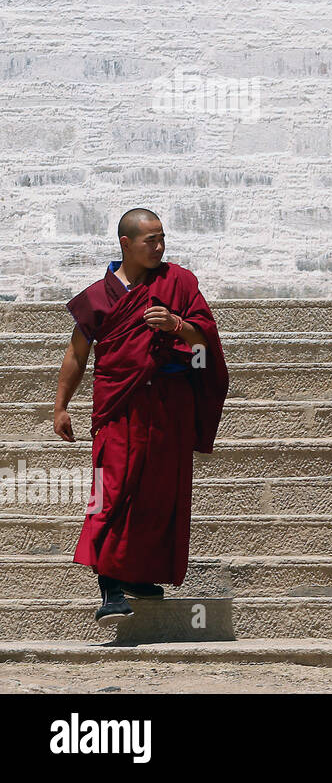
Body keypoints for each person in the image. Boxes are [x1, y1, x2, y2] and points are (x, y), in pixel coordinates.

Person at [53, 209, 228, 625]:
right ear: (126, 244)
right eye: (151, 240)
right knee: (109, 492)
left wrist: (176, 324)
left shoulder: (179, 282)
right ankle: (110, 587)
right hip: (119, 408)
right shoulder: (98, 296)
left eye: (162, 238)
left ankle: (137, 573)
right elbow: (77, 354)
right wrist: (60, 405)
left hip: (169, 406)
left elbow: (204, 346)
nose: (159, 247)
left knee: (158, 495)